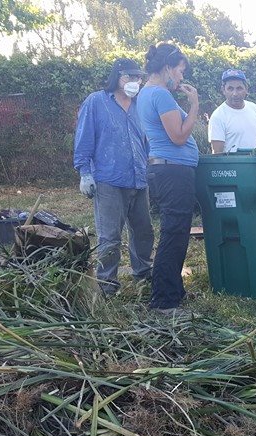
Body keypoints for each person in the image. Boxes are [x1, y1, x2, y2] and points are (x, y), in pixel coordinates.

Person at [73, 58, 153, 297]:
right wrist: (85, 172)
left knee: (143, 231)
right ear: (117, 77)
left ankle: (143, 275)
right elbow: (84, 138)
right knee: (110, 236)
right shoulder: (96, 102)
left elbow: (146, 141)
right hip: (109, 179)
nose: (135, 81)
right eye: (130, 76)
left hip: (139, 177)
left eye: (138, 77)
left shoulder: (140, 105)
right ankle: (107, 284)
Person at [134, 42, 200, 314]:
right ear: (167, 68)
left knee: (176, 231)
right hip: (173, 171)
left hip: (167, 170)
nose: (181, 77)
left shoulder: (145, 93)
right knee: (174, 233)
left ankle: (174, 290)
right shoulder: (160, 94)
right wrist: (194, 105)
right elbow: (179, 136)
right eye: (180, 70)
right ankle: (163, 300)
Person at [208, 68, 256, 154]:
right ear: (223, 90)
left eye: (239, 88)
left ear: (246, 89)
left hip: (255, 162)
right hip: (232, 163)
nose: (235, 93)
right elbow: (217, 154)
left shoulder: (255, 109)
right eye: (230, 89)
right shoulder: (218, 116)